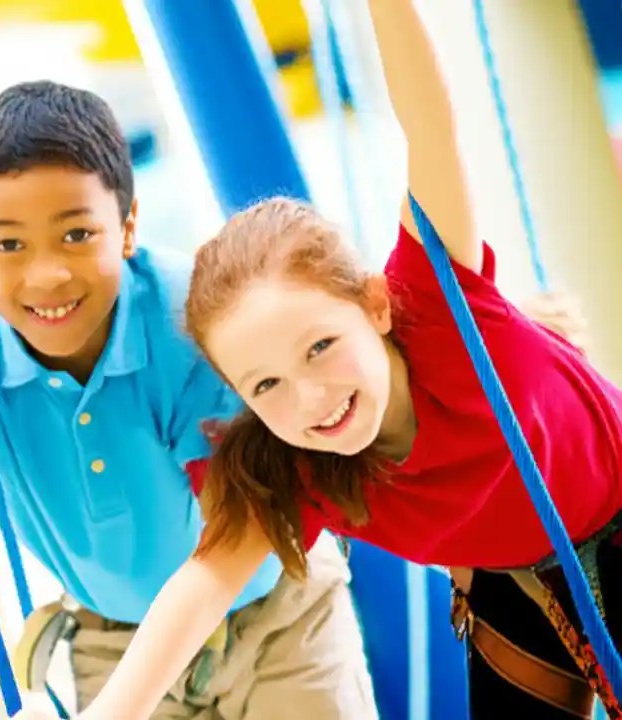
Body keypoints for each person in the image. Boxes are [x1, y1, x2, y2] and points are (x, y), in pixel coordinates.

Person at [40, 1, 622, 718]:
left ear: (376, 305)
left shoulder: (436, 302)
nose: (311, 397)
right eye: (267, 385)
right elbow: (203, 584)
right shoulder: (298, 467)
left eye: (320, 347)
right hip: (513, 585)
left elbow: (429, 124)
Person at [0, 80, 378, 718]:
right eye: (8, 244)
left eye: (76, 235)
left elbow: (236, 536)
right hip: (110, 639)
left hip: (277, 617)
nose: (46, 273)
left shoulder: (191, 320)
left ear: (127, 228)